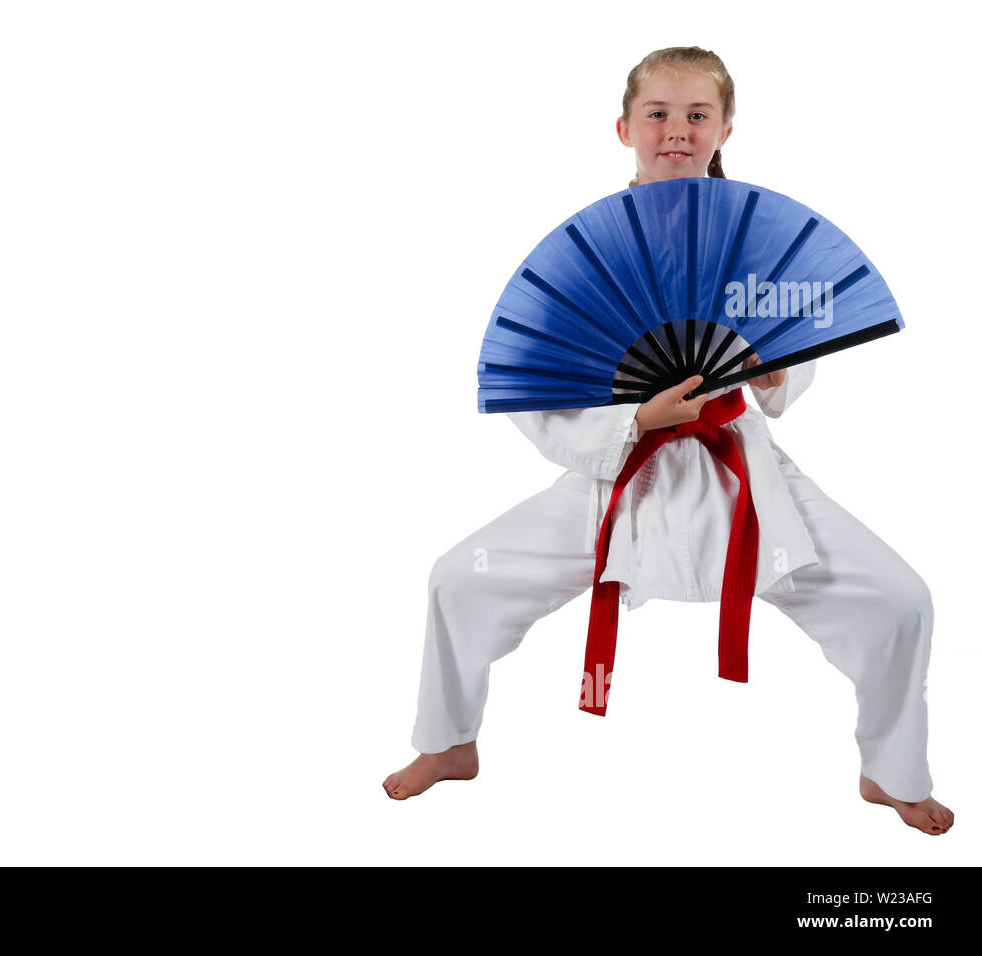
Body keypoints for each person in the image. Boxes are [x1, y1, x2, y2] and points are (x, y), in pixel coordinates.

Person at [381, 46, 954, 835]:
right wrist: (638, 423)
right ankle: (448, 745)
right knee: (458, 579)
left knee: (900, 600)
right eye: (658, 114)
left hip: (742, 476)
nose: (676, 131)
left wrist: (770, 370)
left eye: (697, 115)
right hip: (620, 477)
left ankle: (891, 773)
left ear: (725, 130)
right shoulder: (589, 252)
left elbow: (797, 367)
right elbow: (538, 389)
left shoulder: (755, 243)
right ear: (625, 128)